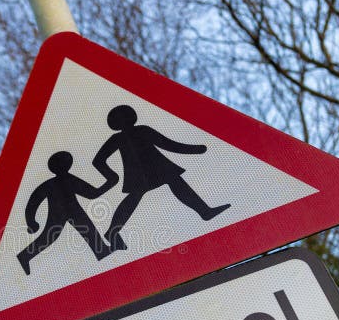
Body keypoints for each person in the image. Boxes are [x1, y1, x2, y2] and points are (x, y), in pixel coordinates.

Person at [93, 104, 230, 250]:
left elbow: (167, 144)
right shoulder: (118, 138)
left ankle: (204, 211)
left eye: (126, 116)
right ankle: (112, 232)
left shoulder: (143, 130)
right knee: (137, 196)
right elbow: (98, 161)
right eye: (122, 118)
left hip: (156, 166)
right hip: (139, 171)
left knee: (173, 182)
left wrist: (194, 149)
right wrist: (111, 176)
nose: (125, 120)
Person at [17, 151, 113, 275]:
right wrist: (31, 222)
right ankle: (24, 256)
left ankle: (102, 252)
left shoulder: (58, 181)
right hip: (60, 213)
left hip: (72, 211)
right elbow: (34, 201)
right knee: (50, 237)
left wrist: (31, 222)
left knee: (88, 231)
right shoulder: (57, 182)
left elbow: (91, 193)